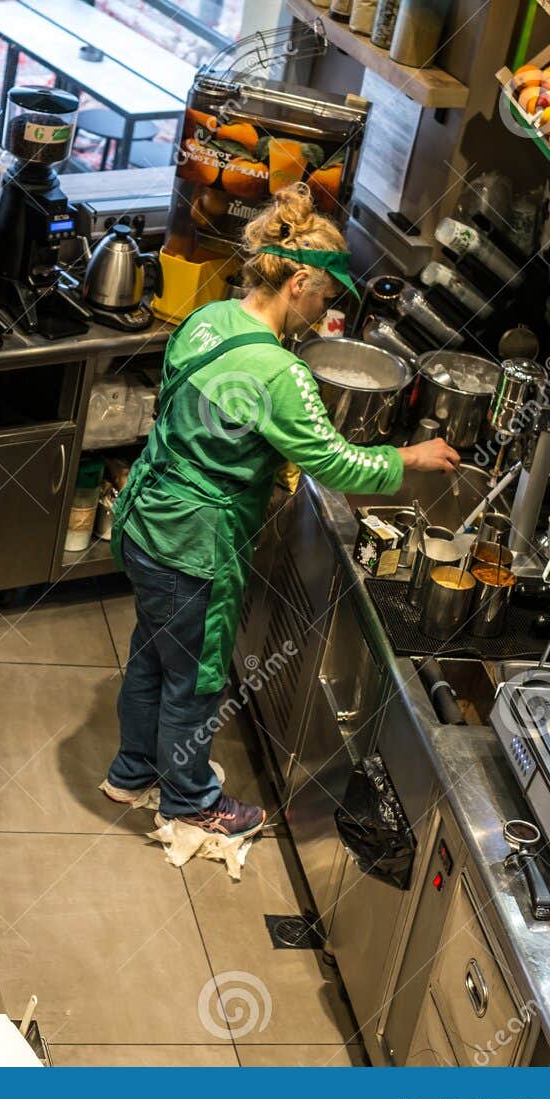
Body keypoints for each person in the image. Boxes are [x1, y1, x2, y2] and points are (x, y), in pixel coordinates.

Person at [104, 183, 460, 840]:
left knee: (152, 655)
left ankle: (131, 770)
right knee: (197, 679)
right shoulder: (282, 375)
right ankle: (188, 800)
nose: (325, 314)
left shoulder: (209, 319)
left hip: (145, 520)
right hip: (196, 544)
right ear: (298, 280)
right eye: (324, 299)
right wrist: (409, 457)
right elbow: (338, 463)